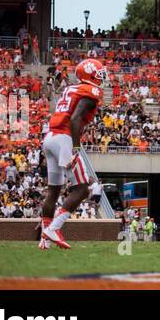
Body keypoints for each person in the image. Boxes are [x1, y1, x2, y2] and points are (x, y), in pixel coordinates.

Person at [39, 58, 106, 250]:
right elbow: (76, 119)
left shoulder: (72, 89)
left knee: (53, 191)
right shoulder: (90, 92)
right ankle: (53, 228)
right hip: (64, 139)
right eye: (99, 74)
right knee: (83, 188)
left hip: (50, 137)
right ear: (91, 74)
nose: (101, 78)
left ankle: (44, 241)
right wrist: (75, 148)